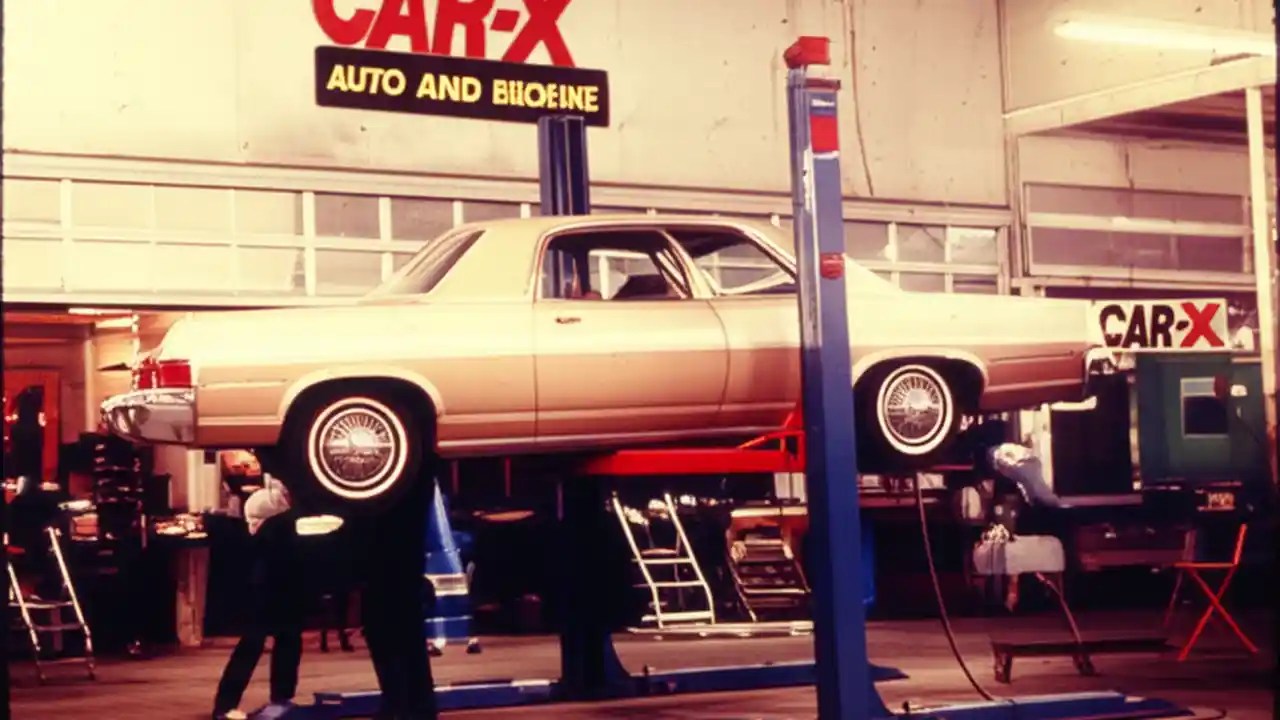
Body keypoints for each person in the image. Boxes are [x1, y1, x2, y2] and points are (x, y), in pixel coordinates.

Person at [212, 477, 304, 720]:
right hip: (280, 585)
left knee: (254, 644)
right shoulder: (281, 514)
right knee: (284, 642)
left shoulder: (263, 508)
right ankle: (281, 700)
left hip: (264, 585)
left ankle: (226, 702)